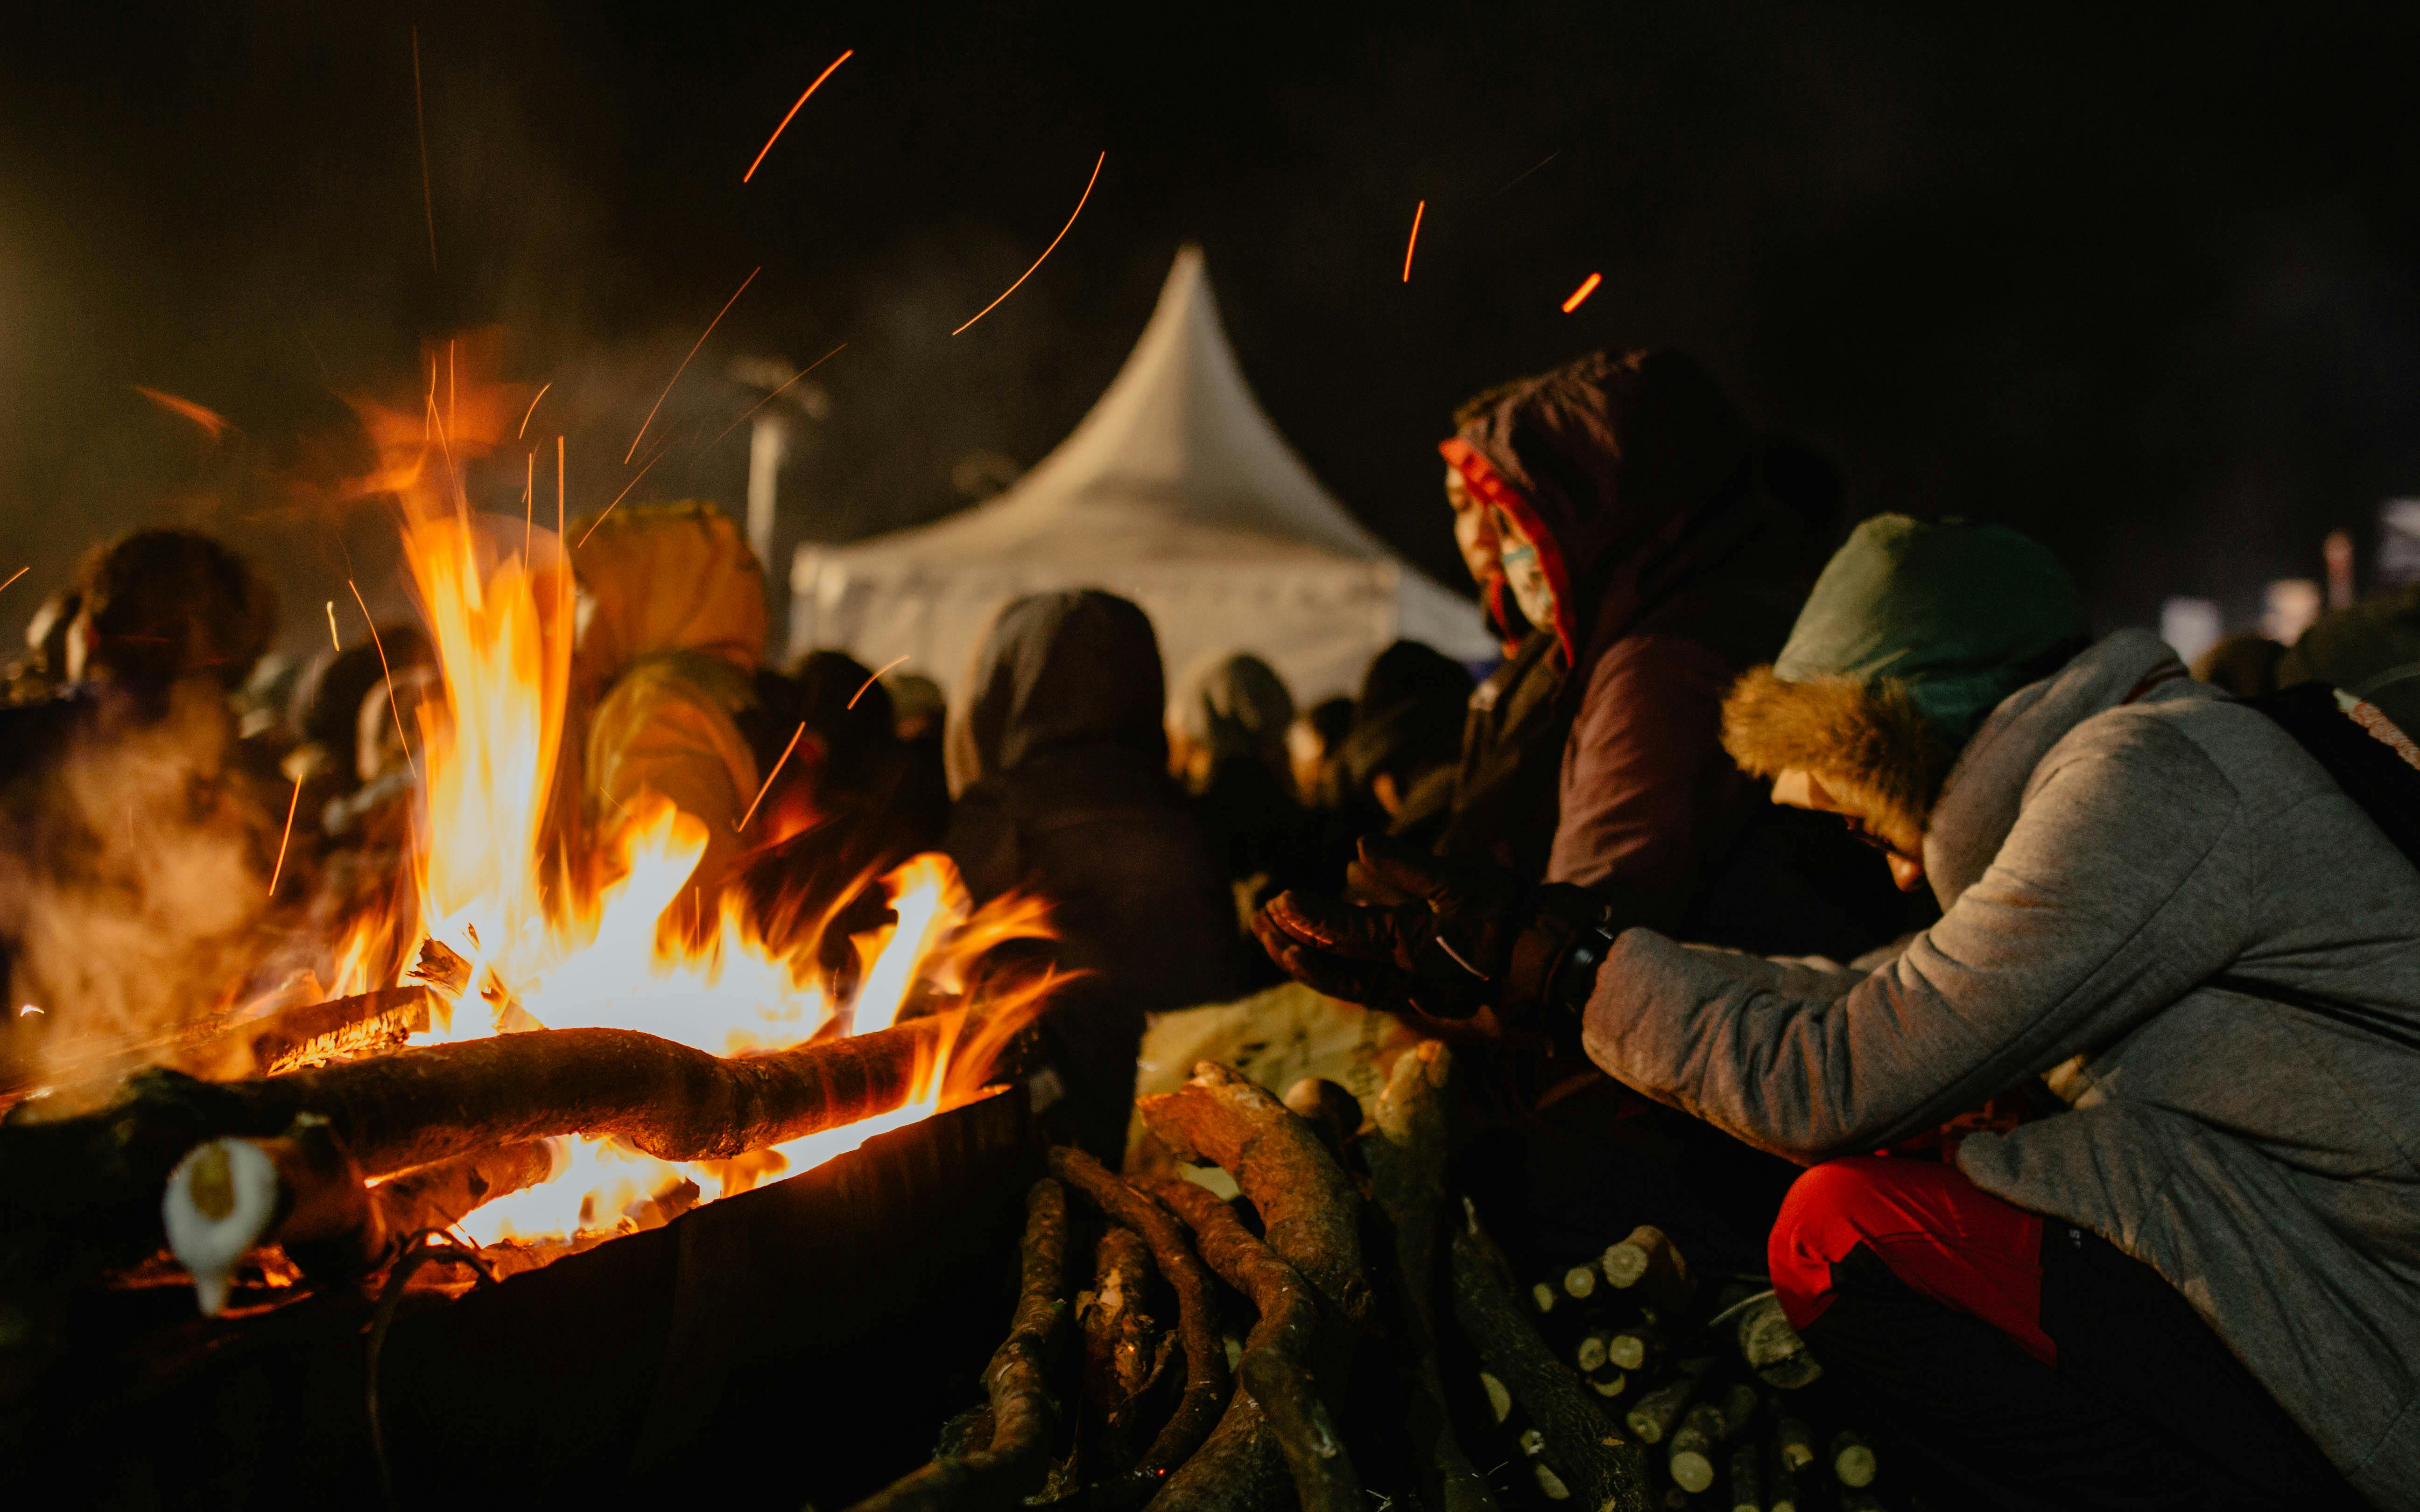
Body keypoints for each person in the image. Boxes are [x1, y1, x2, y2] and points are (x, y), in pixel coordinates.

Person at [1258, 514, 2413, 1508]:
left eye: (1863, 819)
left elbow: (1838, 1070)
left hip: (2376, 1340)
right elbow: (1865, 987)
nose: (1898, 872)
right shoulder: (2148, 754)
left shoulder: (2147, 776)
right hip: (2329, 1272)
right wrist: (1537, 970)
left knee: (1844, 1226)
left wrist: (1560, 969)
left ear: (1915, 729)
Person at [1422, 350, 1903, 959]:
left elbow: (1589, 930)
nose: (1494, 545)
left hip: (1717, 1027)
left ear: (1597, 518)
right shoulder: (1662, 629)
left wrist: (1459, 973)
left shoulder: (1661, 666)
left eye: (1521, 522)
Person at [943, 590, 1240, 1158]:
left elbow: (947, 969)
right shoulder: (1189, 811)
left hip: (1063, 1134)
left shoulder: (1002, 813)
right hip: (1198, 1121)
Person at [570, 501, 767, 907]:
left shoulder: (652, 704)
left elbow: (664, 892)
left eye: (595, 600)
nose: (585, 626)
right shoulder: (721, 692)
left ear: (649, 596)